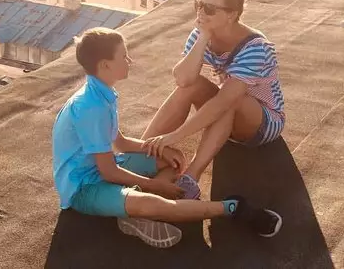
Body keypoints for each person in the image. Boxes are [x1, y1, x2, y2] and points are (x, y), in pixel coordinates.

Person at [52, 27, 282, 248]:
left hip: (103, 169)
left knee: (173, 158)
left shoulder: (102, 93)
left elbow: (120, 142)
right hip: (83, 187)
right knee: (154, 205)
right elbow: (108, 171)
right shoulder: (90, 107)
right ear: (105, 65)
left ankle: (129, 207)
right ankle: (231, 208)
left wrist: (161, 146)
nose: (129, 60)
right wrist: (156, 184)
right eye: (124, 56)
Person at [141, 0, 286, 201]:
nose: (200, 12)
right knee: (194, 85)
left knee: (231, 97)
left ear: (231, 14)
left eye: (209, 8)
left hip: (262, 122)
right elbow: (183, 79)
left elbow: (224, 101)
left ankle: (190, 179)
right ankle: (140, 155)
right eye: (198, 4)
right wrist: (204, 38)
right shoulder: (202, 32)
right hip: (226, 114)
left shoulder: (257, 48)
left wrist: (175, 136)